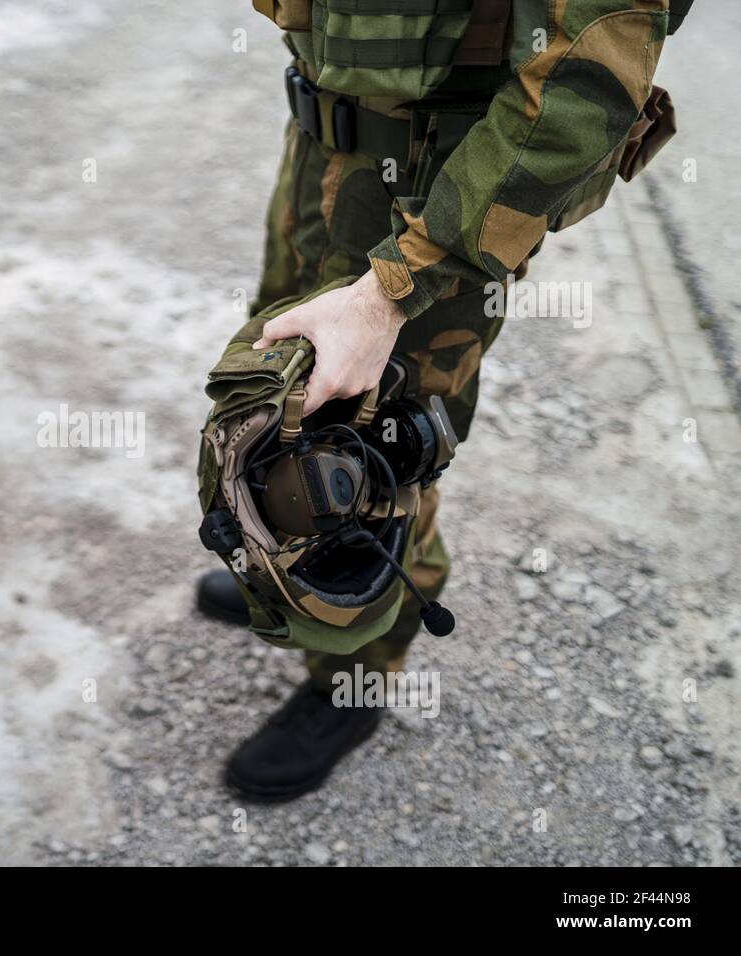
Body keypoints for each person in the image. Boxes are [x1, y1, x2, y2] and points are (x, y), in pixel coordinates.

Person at [200, 0, 686, 800]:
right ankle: (282, 578)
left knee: (358, 474)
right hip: (323, 146)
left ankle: (351, 678)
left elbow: (581, 86)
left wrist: (393, 290)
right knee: (267, 419)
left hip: (438, 205)